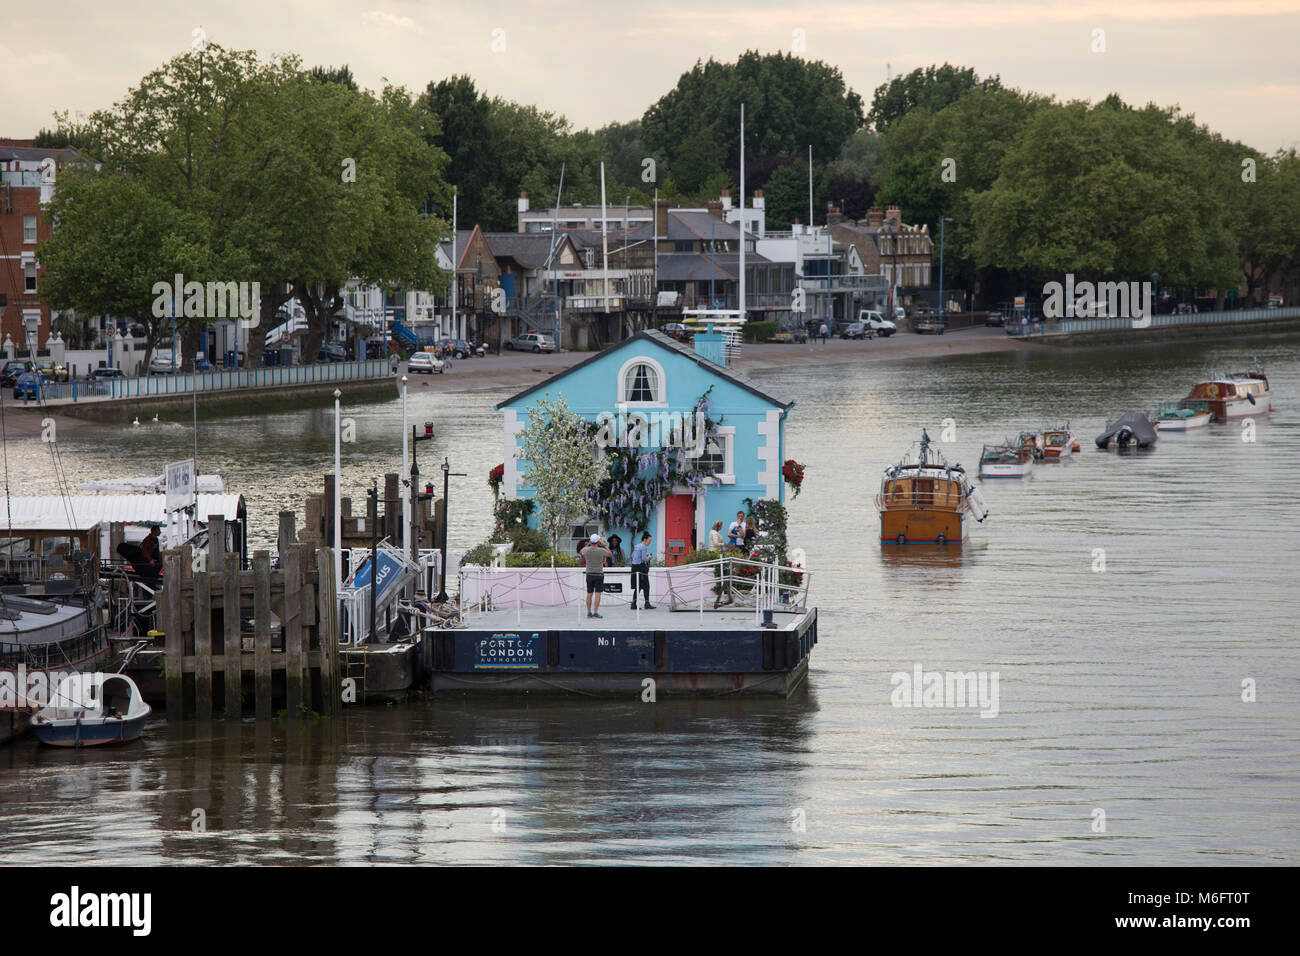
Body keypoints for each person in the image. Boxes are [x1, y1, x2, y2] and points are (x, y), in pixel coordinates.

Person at [581, 533, 612, 618]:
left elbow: (581, 551)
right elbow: (610, 554)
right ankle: (595, 612)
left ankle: (588, 612)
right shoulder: (601, 550)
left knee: (589, 593)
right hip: (599, 574)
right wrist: (605, 545)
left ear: (591, 541)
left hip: (589, 573)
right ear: (598, 542)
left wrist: (588, 544)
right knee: (597, 593)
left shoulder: (586, 550)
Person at [629, 532, 654, 610]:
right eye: (649, 540)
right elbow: (644, 559)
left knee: (638, 586)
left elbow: (632, 556)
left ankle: (634, 604)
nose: (650, 542)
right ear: (645, 539)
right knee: (646, 585)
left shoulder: (637, 546)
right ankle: (647, 603)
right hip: (640, 567)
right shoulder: (643, 547)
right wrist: (649, 557)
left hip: (634, 567)